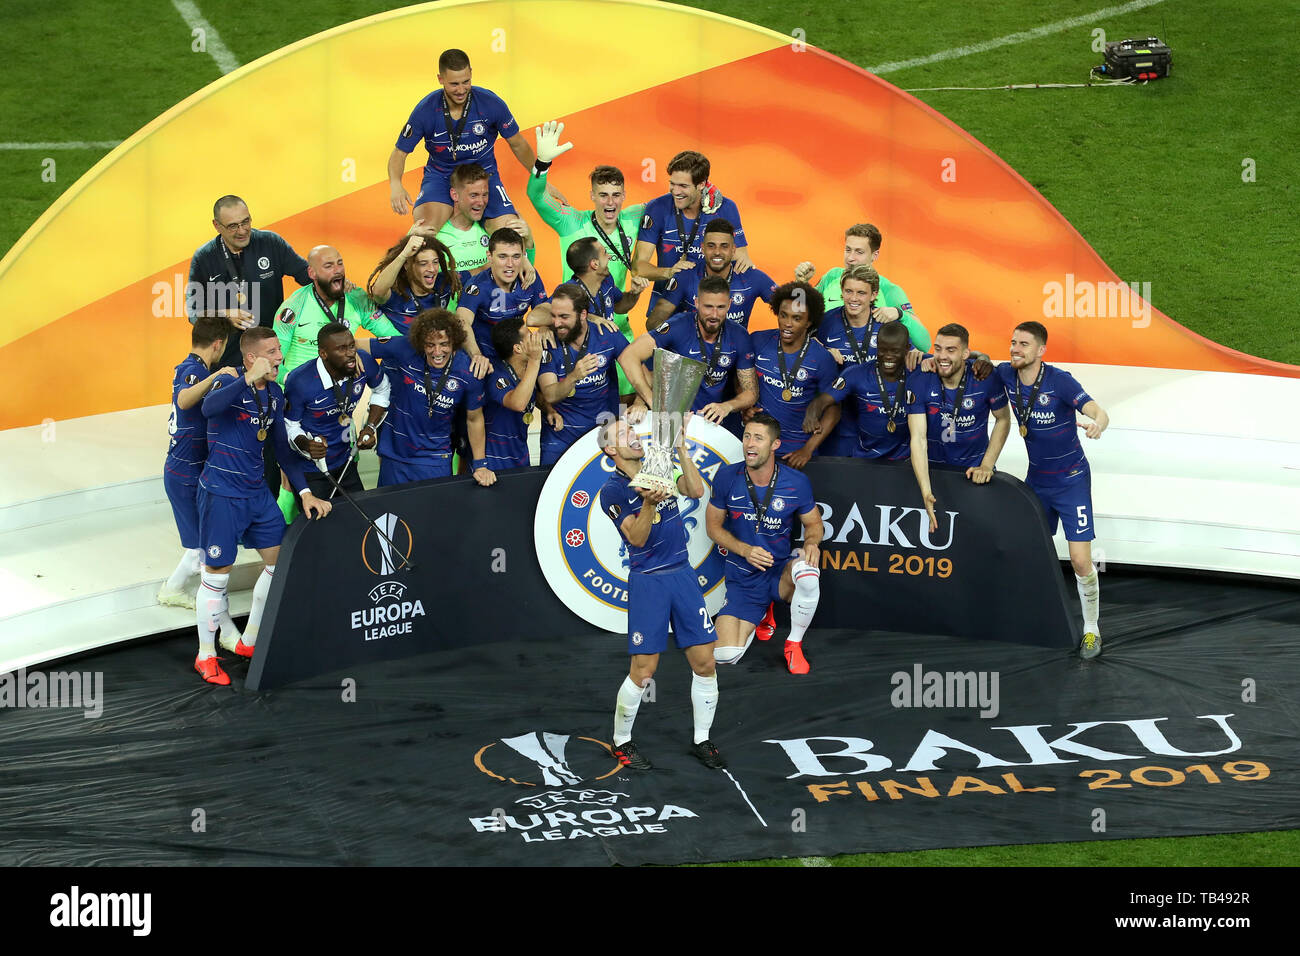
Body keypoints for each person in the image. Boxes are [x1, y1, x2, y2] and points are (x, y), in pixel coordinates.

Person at [195, 327, 332, 685]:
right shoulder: (227, 385)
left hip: (257, 494)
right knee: (216, 576)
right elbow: (209, 409)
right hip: (223, 492)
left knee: (279, 563)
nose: (280, 358)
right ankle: (205, 655)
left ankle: (249, 641)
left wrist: (304, 493)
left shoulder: (274, 392)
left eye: (279, 351)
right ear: (252, 358)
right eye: (272, 352)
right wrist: (246, 380)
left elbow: (282, 451)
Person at [599, 416, 723, 770]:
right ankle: (621, 741)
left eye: (633, 430)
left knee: (705, 661)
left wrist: (681, 448)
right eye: (623, 434)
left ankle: (703, 739)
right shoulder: (612, 490)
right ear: (611, 450)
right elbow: (636, 538)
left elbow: (696, 491)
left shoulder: (657, 463)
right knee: (644, 670)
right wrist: (650, 502)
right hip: (648, 580)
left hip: (682, 575)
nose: (633, 436)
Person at [994, 321, 1109, 659]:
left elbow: (1096, 410)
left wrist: (1098, 424)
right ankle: (1033, 616)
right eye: (1013, 342)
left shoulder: (1060, 381)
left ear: (1041, 350)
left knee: (1080, 561)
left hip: (1071, 480)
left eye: (1024, 344)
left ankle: (1091, 628)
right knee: (1032, 552)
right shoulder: (1005, 374)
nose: (1016, 348)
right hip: (1038, 479)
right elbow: (972, 361)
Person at [705, 413, 823, 674]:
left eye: (758, 438)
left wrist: (812, 543)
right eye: (747, 436)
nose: (750, 444)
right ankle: (761, 612)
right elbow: (712, 527)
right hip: (743, 578)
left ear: (774, 445)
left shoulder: (796, 482)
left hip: (779, 572)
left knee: (808, 572)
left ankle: (793, 643)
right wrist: (745, 550)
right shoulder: (726, 477)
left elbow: (814, 525)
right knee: (724, 656)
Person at [388, 48, 536, 234]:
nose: (461, 90)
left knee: (511, 234)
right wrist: (395, 184)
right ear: (440, 79)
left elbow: (518, 143)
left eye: (466, 82)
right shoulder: (426, 110)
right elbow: (400, 152)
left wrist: (540, 178)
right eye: (454, 84)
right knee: (424, 233)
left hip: (484, 175)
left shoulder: (491, 103)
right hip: (442, 176)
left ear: (471, 73)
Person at [358, 309, 496, 487]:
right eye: (430, 344)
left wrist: (480, 465)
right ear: (420, 342)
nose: (437, 352)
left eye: (444, 344)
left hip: (435, 459)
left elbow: (474, 418)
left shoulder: (468, 371)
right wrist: (353, 353)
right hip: (395, 457)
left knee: (431, 515)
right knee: (390, 515)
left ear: (455, 342)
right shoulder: (404, 347)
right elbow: (354, 345)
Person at [159, 316, 235, 613]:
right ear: (218, 345)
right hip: (183, 472)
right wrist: (215, 378)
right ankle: (209, 606)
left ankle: (174, 590)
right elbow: (184, 400)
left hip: (188, 470)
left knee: (200, 546)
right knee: (200, 549)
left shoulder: (194, 368)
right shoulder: (192, 370)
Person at [187, 195, 311, 371]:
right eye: (233, 226)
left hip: (271, 357)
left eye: (246, 222)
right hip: (227, 362)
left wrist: (338, 282)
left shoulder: (271, 243)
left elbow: (308, 276)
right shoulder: (204, 258)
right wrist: (224, 314)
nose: (242, 230)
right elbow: (193, 311)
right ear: (217, 226)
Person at [907, 323, 1011, 531]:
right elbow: (918, 438)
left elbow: (1003, 419)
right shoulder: (920, 378)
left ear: (965, 354)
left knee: (975, 536)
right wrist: (926, 491)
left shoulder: (985, 378)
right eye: (938, 349)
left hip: (973, 472)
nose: (942, 356)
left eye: (950, 350)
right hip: (933, 471)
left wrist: (987, 465)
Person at [814, 265, 926, 455]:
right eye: (848, 291)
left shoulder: (887, 324)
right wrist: (822, 351)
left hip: (881, 420)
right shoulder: (825, 323)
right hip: (840, 421)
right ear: (841, 292)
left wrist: (922, 357)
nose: (854, 298)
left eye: (861, 293)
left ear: (874, 295)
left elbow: (911, 355)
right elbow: (804, 351)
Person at [620, 276, 758, 426]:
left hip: (710, 423)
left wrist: (727, 406)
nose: (714, 315)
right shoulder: (677, 326)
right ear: (697, 303)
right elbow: (629, 356)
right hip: (672, 421)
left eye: (720, 307)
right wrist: (649, 401)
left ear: (730, 305)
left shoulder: (739, 335)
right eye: (708, 306)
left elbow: (751, 392)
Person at [525, 122, 645, 292]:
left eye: (616, 195)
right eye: (603, 195)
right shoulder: (571, 222)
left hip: (617, 317)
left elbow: (667, 203)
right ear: (592, 196)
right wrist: (542, 163)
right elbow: (536, 196)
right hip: (577, 315)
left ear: (624, 196)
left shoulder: (633, 218)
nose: (610, 202)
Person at [635, 150, 752, 314]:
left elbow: (741, 262)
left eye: (683, 186)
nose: (675, 191)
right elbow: (638, 267)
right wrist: (669, 272)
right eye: (672, 184)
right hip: (666, 306)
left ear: (702, 184)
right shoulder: (657, 208)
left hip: (711, 310)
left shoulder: (726, 208)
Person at [283, 323, 391, 498]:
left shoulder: (363, 363)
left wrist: (370, 427)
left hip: (346, 463)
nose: (350, 353)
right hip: (311, 471)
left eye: (351, 346)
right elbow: (289, 425)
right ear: (323, 354)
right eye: (341, 349)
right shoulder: (300, 381)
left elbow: (382, 389)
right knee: (322, 524)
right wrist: (306, 445)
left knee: (361, 522)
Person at [746, 281, 840, 468]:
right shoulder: (758, 341)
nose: (787, 324)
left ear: (809, 321)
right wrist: (745, 406)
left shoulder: (822, 359)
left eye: (797, 318)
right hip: (758, 447)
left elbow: (834, 410)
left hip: (796, 452)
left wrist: (808, 449)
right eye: (783, 315)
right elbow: (740, 375)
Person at [537, 284, 630, 465]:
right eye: (553, 316)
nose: (556, 324)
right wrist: (573, 376)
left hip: (600, 435)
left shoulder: (607, 335)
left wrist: (641, 402)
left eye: (564, 317)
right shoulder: (548, 341)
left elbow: (637, 370)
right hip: (560, 436)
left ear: (583, 315)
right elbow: (549, 394)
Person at [803, 321, 917, 462]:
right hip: (866, 461)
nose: (888, 356)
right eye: (883, 350)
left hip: (905, 462)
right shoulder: (856, 374)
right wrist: (812, 413)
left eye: (895, 351)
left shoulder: (918, 372)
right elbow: (824, 400)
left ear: (907, 349)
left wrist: (929, 361)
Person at [647, 218, 777, 330]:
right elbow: (652, 324)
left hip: (734, 354)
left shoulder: (752, 277)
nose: (717, 252)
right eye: (711, 246)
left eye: (724, 246)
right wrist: (683, 337)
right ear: (702, 248)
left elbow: (790, 305)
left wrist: (798, 285)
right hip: (694, 356)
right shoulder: (686, 276)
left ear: (733, 250)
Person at [454, 227, 552, 368]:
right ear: (489, 256)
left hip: (520, 354)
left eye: (516, 256)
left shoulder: (529, 277)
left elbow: (543, 308)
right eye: (502, 256)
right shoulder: (477, 285)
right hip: (487, 355)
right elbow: (461, 321)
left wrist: (544, 326)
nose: (510, 264)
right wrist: (477, 356)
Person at [567, 236, 649, 397]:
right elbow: (535, 317)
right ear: (594, 264)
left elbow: (620, 306)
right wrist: (589, 316)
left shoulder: (606, 281)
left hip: (607, 363)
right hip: (583, 370)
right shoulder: (569, 292)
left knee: (612, 415)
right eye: (605, 253)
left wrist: (634, 294)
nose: (610, 256)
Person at [795, 222, 914, 315]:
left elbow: (923, 345)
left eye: (859, 252)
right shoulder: (832, 276)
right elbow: (798, 312)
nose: (850, 258)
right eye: (848, 250)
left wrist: (900, 314)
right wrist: (800, 285)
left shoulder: (889, 290)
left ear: (874, 255)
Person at [483, 317, 554, 471]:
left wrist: (549, 409)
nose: (536, 338)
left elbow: (531, 394)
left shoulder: (527, 369)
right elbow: (518, 403)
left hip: (520, 456)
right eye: (530, 336)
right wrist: (535, 361)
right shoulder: (495, 374)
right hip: (492, 462)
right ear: (518, 348)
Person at [367, 230, 464, 333]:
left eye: (435, 262)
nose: (432, 269)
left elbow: (479, 272)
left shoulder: (445, 282)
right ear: (407, 266)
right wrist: (403, 255)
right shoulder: (397, 294)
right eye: (423, 263)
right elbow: (378, 291)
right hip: (403, 348)